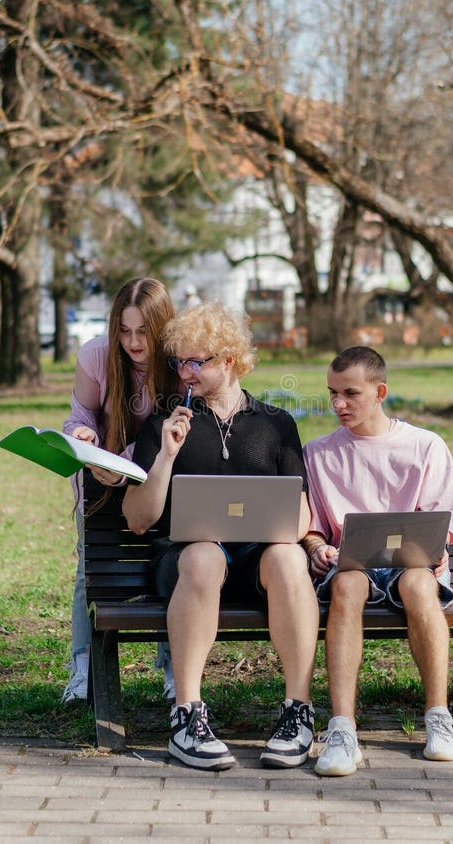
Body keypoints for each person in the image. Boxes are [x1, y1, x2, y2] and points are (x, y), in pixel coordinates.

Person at [122, 301, 319, 771]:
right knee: (205, 555)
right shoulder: (164, 423)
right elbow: (138, 519)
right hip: (186, 563)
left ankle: (298, 711)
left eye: (196, 361)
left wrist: (271, 526)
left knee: (289, 558)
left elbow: (301, 517)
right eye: (178, 362)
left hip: (255, 561)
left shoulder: (276, 424)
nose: (184, 372)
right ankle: (187, 715)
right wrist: (166, 457)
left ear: (228, 360)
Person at [302, 345, 453, 777]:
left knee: (417, 584)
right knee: (346, 584)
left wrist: (435, 551)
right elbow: (315, 526)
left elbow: (440, 530)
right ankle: (342, 729)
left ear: (380, 392)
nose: (338, 404)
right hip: (351, 563)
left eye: (350, 393)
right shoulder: (318, 453)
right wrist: (318, 548)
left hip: (413, 564)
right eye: (332, 393)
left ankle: (438, 719)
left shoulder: (425, 446)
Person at [60, 277, 179, 704]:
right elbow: (80, 416)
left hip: (160, 479)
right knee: (89, 569)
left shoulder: (181, 360)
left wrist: (129, 459)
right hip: (100, 478)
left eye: (142, 331)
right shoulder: (96, 354)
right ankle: (83, 667)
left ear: (162, 326)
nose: (132, 342)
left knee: (169, 562)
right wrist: (82, 436)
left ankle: (172, 669)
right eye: (124, 331)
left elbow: (182, 424)